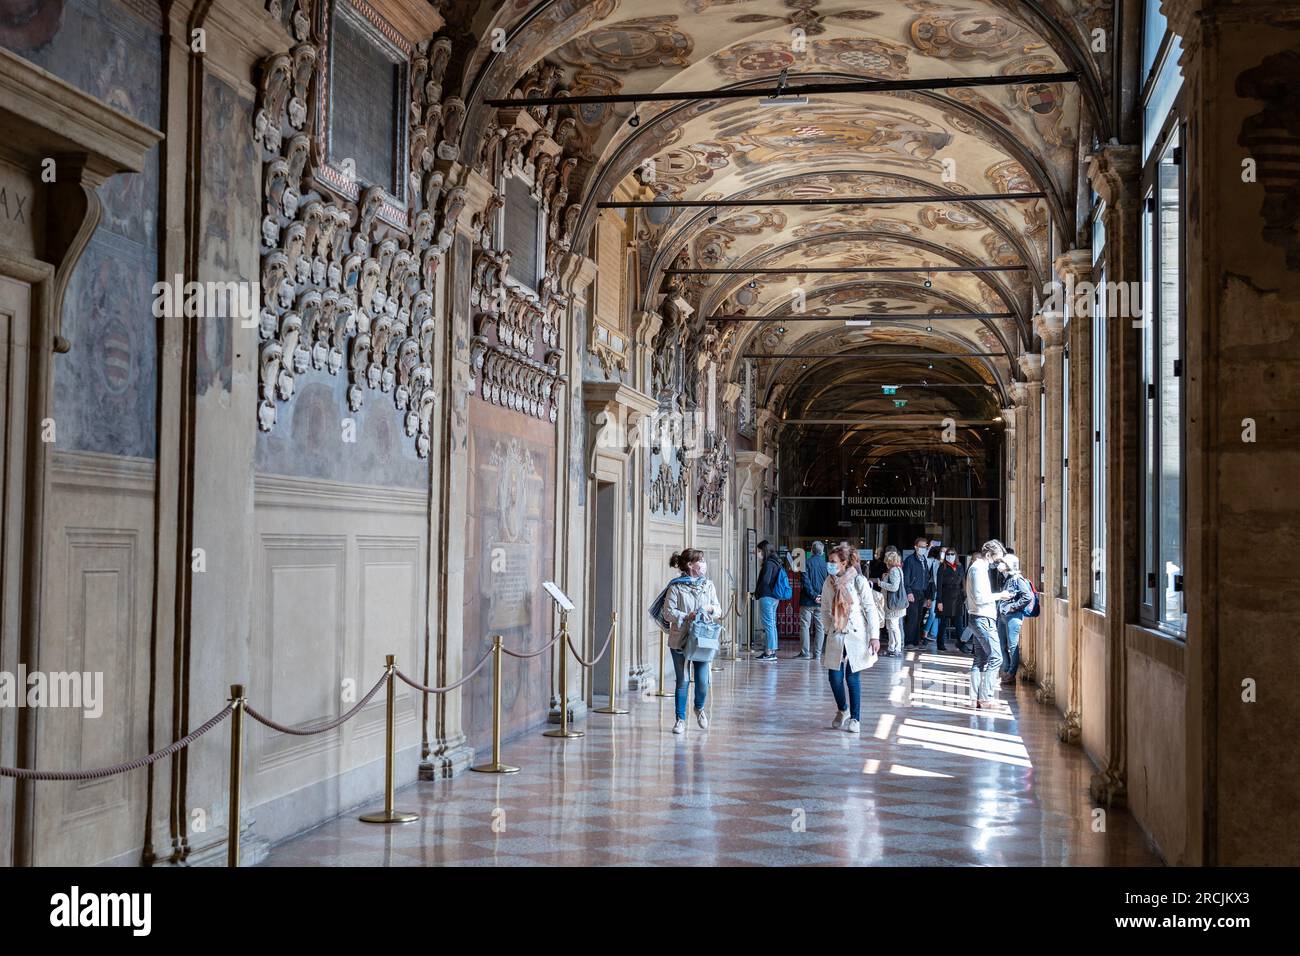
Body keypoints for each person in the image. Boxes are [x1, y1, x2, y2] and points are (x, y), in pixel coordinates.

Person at [652, 549, 723, 734]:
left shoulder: (708, 585)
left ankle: (699, 708)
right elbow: (668, 613)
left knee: (702, 681)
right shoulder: (675, 586)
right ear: (690, 565)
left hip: (702, 639)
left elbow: (718, 610)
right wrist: (687, 616)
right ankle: (680, 719)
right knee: (682, 680)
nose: (703, 564)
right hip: (680, 639)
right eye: (700, 560)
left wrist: (709, 609)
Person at [820, 544, 881, 734]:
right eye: (829, 562)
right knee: (834, 677)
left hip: (857, 634)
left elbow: (870, 609)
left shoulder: (859, 581)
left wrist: (874, 637)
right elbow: (824, 609)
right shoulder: (828, 582)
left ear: (844, 563)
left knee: (852, 677)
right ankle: (843, 709)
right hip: (836, 633)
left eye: (833, 562)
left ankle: (856, 718)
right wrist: (830, 627)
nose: (829, 565)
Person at [964, 539, 1012, 708]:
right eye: (996, 558)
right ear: (989, 555)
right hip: (982, 618)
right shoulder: (978, 569)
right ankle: (985, 698)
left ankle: (974, 698)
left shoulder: (979, 568)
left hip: (979, 617)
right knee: (996, 657)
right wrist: (1001, 595)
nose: (997, 562)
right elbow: (980, 598)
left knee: (980, 659)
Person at [997, 553, 1036, 684]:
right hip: (1003, 615)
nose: (1000, 565)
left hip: (1013, 616)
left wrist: (1013, 607)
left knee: (1013, 645)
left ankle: (1011, 673)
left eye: (1003, 562)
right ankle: (1006, 668)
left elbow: (1027, 596)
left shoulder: (1017, 579)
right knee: (1002, 645)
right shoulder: (1005, 578)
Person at [752, 540, 784, 662]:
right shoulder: (776, 561)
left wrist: (757, 593)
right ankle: (771, 650)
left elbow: (765, 581)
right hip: (774, 597)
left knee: (768, 624)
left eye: (759, 551)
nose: (757, 553)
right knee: (772, 624)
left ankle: (769, 652)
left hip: (767, 596)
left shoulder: (768, 564)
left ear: (764, 551)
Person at [798, 541, 828, 660]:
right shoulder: (826, 565)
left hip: (807, 600)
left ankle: (805, 653)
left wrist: (813, 595)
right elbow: (828, 583)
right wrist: (820, 596)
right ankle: (817, 654)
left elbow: (806, 582)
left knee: (805, 626)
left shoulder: (805, 563)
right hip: (821, 601)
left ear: (811, 550)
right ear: (822, 551)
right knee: (820, 627)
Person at [902, 537, 933, 648]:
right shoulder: (910, 560)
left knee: (919, 617)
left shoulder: (924, 559)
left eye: (925, 547)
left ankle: (916, 640)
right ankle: (908, 641)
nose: (923, 549)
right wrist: (909, 592)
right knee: (912, 617)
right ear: (915, 547)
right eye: (921, 547)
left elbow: (927, 577)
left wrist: (928, 596)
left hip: (921, 592)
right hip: (913, 591)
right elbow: (906, 578)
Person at [878, 547, 907, 656]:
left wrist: (881, 583)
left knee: (894, 627)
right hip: (893, 605)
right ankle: (892, 647)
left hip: (893, 605)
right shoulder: (895, 569)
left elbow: (894, 587)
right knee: (891, 626)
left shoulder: (894, 571)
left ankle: (897, 648)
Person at [936, 548, 965, 653]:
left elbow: (963, 582)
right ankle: (940, 644)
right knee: (943, 623)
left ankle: (961, 644)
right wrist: (939, 601)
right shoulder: (942, 567)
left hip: (957, 597)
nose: (950, 556)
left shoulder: (960, 567)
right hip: (945, 597)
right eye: (948, 554)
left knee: (959, 623)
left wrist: (964, 597)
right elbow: (938, 585)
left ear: (956, 555)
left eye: (952, 554)